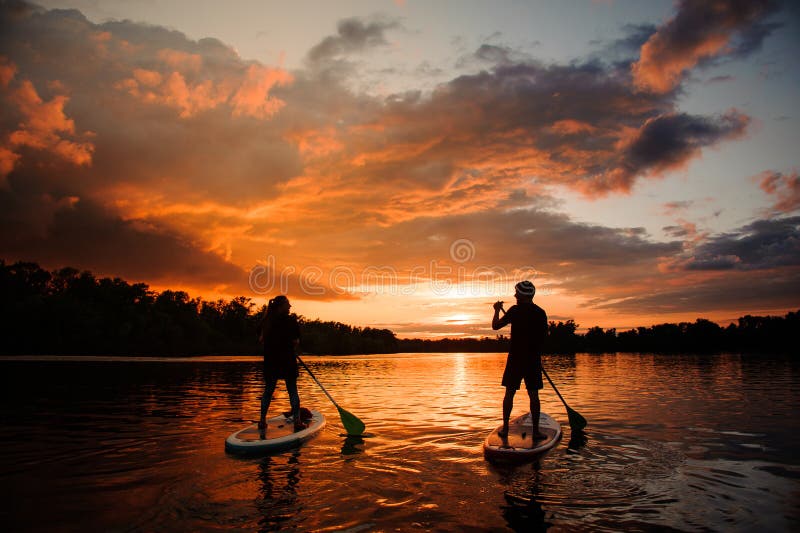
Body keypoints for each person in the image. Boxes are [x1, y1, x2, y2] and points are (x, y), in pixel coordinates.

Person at [492, 280, 548, 439]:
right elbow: (544, 337)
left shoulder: (515, 311)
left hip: (516, 358)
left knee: (509, 393)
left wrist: (496, 310)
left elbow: (495, 326)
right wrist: (536, 355)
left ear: (523, 295)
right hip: (532, 359)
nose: (515, 295)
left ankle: (505, 430)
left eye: (517, 292)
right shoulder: (540, 312)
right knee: (534, 395)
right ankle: (536, 432)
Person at [258, 295, 305, 436]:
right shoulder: (291, 321)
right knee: (292, 390)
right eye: (288, 304)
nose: (290, 307)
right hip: (287, 360)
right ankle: (297, 421)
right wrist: (289, 344)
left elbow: (261, 340)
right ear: (281, 306)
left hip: (271, 361)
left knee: (268, 391)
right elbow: (296, 341)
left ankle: (262, 420)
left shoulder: (267, 321)